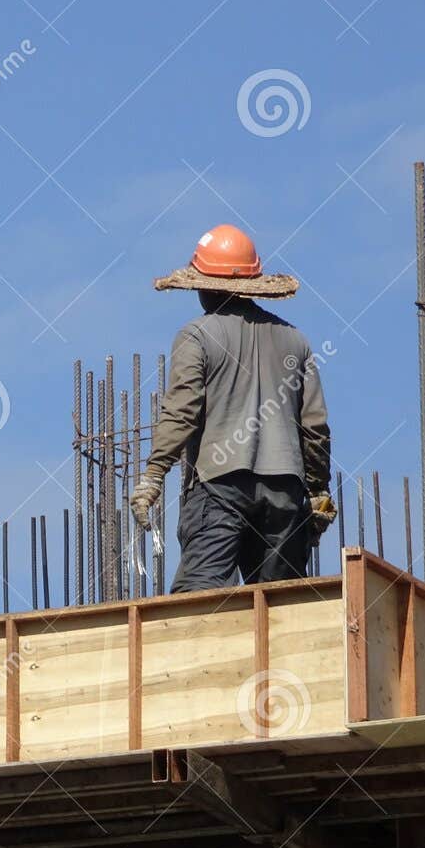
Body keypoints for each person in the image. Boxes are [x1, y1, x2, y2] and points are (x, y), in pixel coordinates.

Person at [130, 224, 337, 591]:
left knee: (199, 604)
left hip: (220, 486)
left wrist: (153, 476)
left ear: (207, 286)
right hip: (285, 494)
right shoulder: (295, 341)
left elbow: (182, 410)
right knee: (282, 610)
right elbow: (315, 429)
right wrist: (318, 490)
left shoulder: (197, 335)